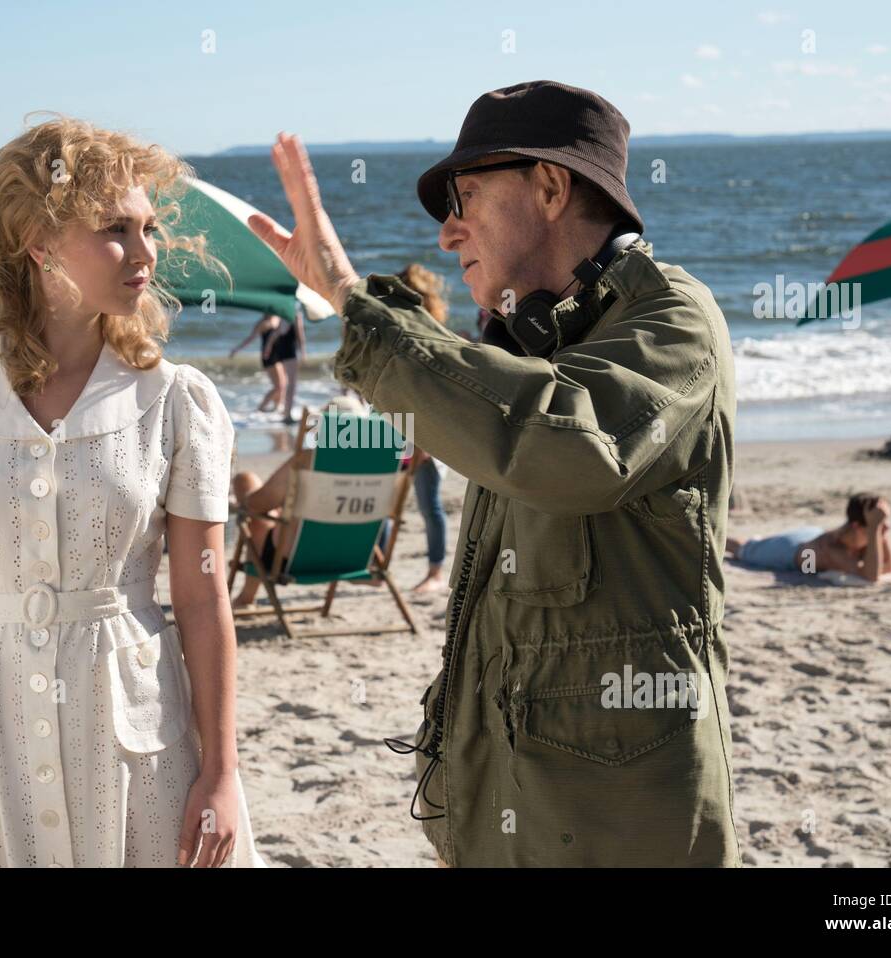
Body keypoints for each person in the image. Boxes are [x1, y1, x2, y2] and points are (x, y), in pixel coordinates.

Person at [249, 81, 739, 867]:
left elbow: (566, 447)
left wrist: (350, 296)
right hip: (507, 811)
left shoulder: (673, 319)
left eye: (465, 196)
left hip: (617, 830)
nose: (447, 234)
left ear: (550, 187)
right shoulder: (531, 342)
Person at [0, 115, 265, 869]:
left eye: (150, 227)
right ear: (40, 243)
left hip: (140, 742)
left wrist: (222, 774)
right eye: (116, 229)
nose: (146, 252)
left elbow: (205, 600)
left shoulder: (179, 404)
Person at [229, 394, 390, 607]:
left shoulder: (308, 459)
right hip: (353, 557)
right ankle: (246, 597)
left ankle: (246, 597)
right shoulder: (380, 466)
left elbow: (258, 504)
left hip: (294, 558)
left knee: (246, 485)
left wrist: (241, 504)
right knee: (268, 510)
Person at [394, 264, 450, 594]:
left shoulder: (429, 336)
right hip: (398, 428)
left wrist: (425, 440)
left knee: (429, 505)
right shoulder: (402, 332)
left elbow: (435, 392)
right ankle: (374, 567)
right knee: (384, 500)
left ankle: (435, 573)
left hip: (423, 432)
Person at [725, 492, 891, 581]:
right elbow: (871, 577)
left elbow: (888, 569)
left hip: (813, 535)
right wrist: (877, 527)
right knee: (744, 548)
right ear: (857, 526)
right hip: (790, 550)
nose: (886, 527)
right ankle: (713, 536)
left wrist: (881, 530)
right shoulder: (834, 549)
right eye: (880, 523)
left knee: (755, 542)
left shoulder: (862, 536)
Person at [229, 309, 304, 422]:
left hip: (279, 354)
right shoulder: (263, 323)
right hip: (268, 357)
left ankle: (277, 408)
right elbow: (251, 338)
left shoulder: (278, 319)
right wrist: (237, 349)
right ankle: (260, 408)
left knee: (283, 385)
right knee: (278, 386)